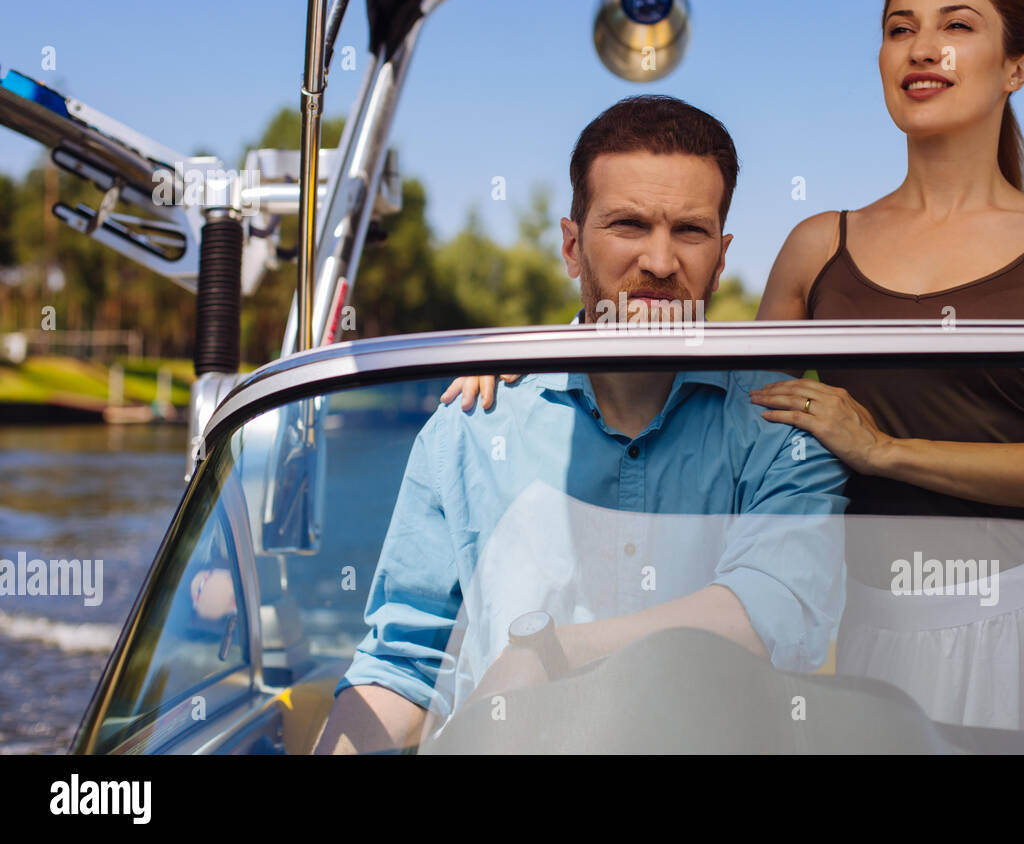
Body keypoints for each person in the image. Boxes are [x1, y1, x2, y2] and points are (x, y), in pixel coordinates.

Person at [444, 0, 1024, 753]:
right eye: (900, 29)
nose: (923, 48)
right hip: (886, 637)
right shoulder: (816, 246)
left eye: (957, 26)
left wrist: (884, 451)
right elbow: (719, 402)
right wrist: (532, 356)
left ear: (1016, 66)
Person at [313, 96, 849, 754]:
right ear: (572, 246)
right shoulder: (469, 428)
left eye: (689, 231)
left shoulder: (784, 431)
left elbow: (775, 611)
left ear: (722, 255)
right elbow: (403, 667)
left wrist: (546, 653)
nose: (659, 262)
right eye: (628, 225)